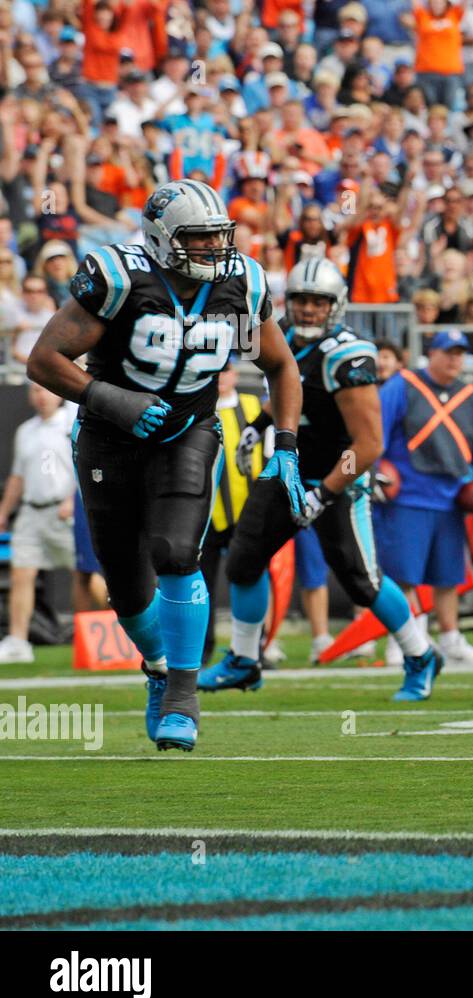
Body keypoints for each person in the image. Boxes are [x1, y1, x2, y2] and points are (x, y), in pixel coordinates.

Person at [25, 179, 306, 752]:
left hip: (188, 431)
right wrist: (110, 398)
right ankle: (156, 667)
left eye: (217, 238)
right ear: (159, 238)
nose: (212, 250)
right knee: (126, 587)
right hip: (108, 437)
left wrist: (286, 445)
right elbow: (44, 359)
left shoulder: (241, 282)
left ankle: (183, 694)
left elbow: (280, 365)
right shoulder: (120, 277)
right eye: (197, 240)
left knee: (177, 553)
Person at [201, 258, 442, 700]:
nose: (309, 309)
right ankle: (243, 659)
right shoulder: (287, 336)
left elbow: (369, 444)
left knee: (360, 581)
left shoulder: (347, 355)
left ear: (336, 305)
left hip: (339, 477)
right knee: (243, 560)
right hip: (289, 468)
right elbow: (290, 392)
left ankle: (421, 653)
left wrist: (324, 493)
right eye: (301, 300)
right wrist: (257, 426)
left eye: (318, 301)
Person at [377, 328, 473, 668]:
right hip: (408, 496)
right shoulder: (402, 385)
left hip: (451, 497)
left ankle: (450, 639)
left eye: (460, 353)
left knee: (448, 577)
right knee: (403, 576)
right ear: (431, 353)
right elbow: (376, 429)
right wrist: (374, 469)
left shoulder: (469, 394)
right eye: (448, 352)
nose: (454, 359)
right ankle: (400, 640)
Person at [0, 384, 77, 664]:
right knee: (22, 574)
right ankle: (18, 642)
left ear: (59, 394)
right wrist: (4, 512)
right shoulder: (25, 431)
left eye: (46, 390)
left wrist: (73, 500)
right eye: (35, 391)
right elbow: (17, 477)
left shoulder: (72, 424)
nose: (41, 396)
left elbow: (85, 467)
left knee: (90, 579)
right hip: (31, 513)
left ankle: (126, 633)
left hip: (66, 513)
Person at [198, 357, 267, 667]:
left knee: (250, 578)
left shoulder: (255, 406)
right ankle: (199, 651)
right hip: (204, 514)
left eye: (224, 370)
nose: (220, 377)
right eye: (213, 371)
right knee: (201, 585)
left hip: (247, 512)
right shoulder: (197, 409)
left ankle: (254, 649)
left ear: (235, 373)